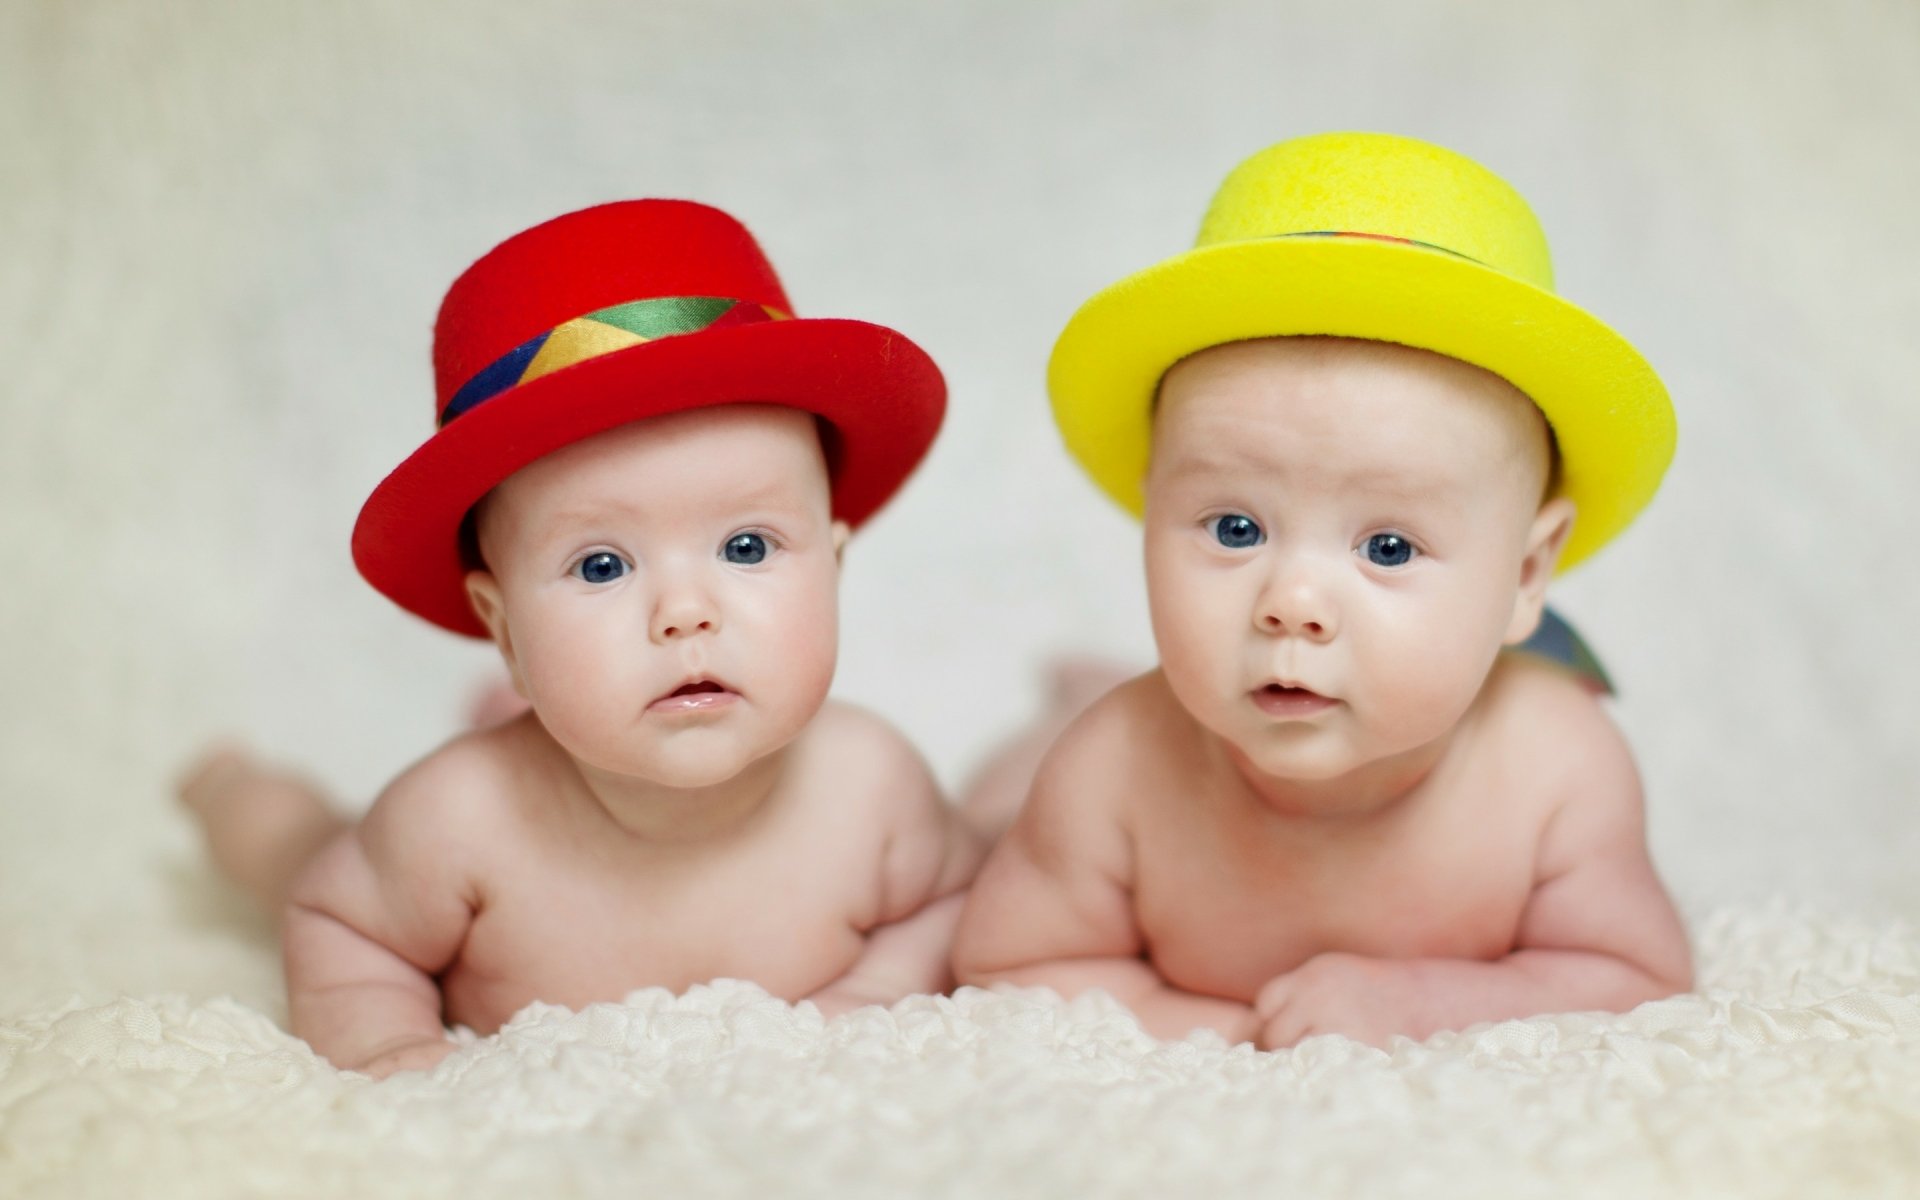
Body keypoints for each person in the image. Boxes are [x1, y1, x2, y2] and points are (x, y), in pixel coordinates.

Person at [180, 199, 982, 1077]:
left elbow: (947, 900)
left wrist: (872, 992)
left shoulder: (871, 785)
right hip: (430, 814)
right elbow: (344, 927)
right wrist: (387, 1048)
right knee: (293, 848)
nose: (684, 613)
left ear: (833, 565)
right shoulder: (454, 821)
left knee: (1009, 809)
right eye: (601, 566)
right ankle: (224, 781)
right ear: (503, 627)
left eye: (746, 547)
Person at [951, 132, 1694, 1050]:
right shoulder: (1112, 770)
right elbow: (1013, 966)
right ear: (1151, 520)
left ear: (1526, 575)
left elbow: (1638, 976)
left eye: (1387, 546)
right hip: (1052, 778)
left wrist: (1423, 1002)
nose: (1292, 602)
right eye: (1235, 529)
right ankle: (1062, 699)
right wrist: (1235, 1037)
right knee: (982, 824)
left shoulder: (1559, 770)